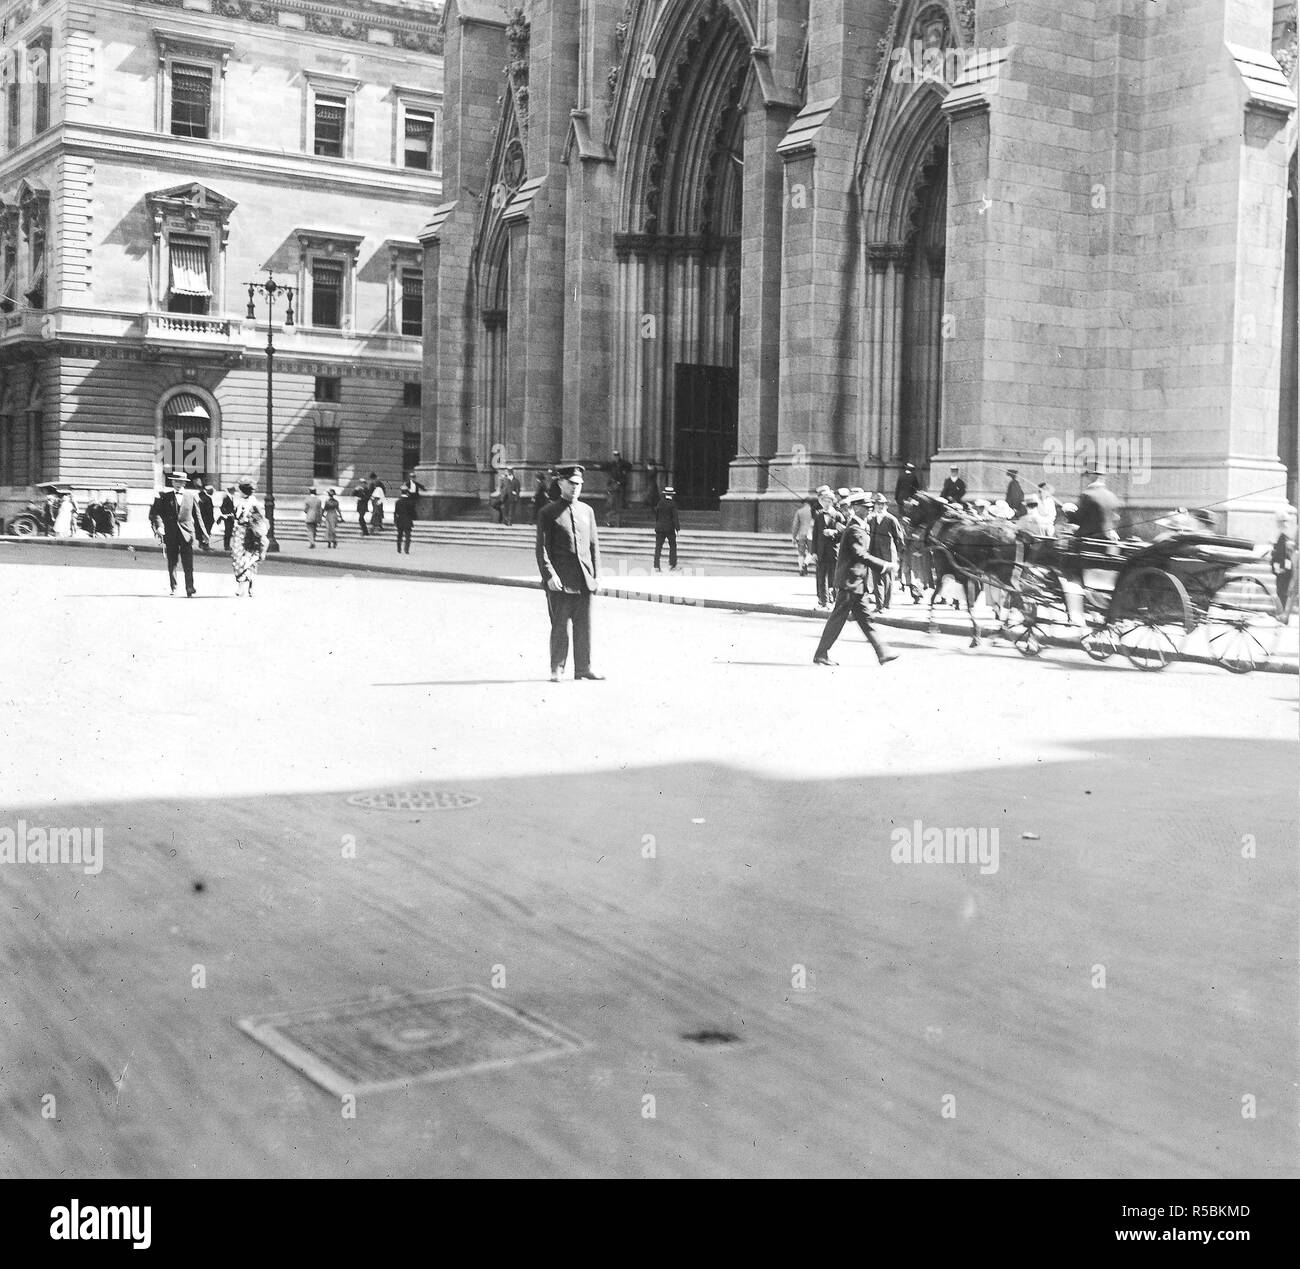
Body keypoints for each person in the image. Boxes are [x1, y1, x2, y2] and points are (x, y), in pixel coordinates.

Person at [812, 492, 898, 667]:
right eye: (866, 508)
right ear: (856, 508)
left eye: (869, 508)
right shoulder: (854, 529)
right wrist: (884, 565)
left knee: (866, 620)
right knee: (839, 620)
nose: (869, 511)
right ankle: (821, 654)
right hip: (850, 582)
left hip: (856, 582)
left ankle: (882, 652)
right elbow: (861, 555)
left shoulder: (857, 527)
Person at [536, 464, 603, 681]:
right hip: (561, 581)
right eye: (572, 484)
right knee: (560, 625)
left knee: (584, 626)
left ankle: (583, 668)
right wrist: (549, 576)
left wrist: (597, 575)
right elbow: (542, 548)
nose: (576, 488)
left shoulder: (587, 511)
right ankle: (557, 668)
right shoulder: (548, 512)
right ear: (561, 483)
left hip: (584, 579)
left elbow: (594, 547)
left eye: (579, 484)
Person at [149, 468, 209, 596]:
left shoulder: (191, 497)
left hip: (187, 534)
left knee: (188, 562)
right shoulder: (165, 496)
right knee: (172, 561)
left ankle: (190, 587)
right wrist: (159, 526)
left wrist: (203, 534)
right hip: (170, 533)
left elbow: (198, 517)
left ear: (184, 483)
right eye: (175, 481)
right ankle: (173, 586)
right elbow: (157, 513)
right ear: (172, 482)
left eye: (180, 481)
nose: (176, 483)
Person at [865, 493, 906, 610]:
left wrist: (898, 555)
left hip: (888, 553)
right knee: (876, 578)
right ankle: (879, 605)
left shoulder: (891, 519)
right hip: (874, 553)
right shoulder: (871, 519)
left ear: (886, 506)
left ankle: (886, 604)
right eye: (877, 504)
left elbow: (899, 538)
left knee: (888, 579)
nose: (880, 507)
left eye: (882, 504)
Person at [230, 479, 270, 597]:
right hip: (238, 534)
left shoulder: (254, 504)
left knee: (249, 560)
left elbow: (261, 519)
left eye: (240, 490)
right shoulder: (239, 501)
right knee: (238, 560)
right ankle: (241, 585)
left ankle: (250, 586)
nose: (238, 492)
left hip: (250, 535)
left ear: (244, 491)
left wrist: (250, 521)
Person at [812, 487, 844, 610]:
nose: (826, 503)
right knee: (821, 577)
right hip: (821, 552)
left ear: (833, 502)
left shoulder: (838, 515)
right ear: (821, 502)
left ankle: (833, 601)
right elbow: (815, 535)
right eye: (824, 501)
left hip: (833, 551)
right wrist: (813, 552)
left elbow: (844, 533)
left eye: (829, 501)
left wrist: (833, 532)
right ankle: (823, 601)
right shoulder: (819, 516)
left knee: (833, 577)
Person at [1074, 474, 1120, 545]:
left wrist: (1070, 513)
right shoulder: (1112, 496)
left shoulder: (1087, 495)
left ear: (1092, 477)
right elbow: (1116, 517)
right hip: (1107, 539)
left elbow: (1078, 518)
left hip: (1087, 538)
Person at [1271, 508, 1296, 613]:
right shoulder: (1283, 538)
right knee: (1282, 592)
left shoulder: (1284, 538)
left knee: (1283, 592)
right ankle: (1283, 613)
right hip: (1282, 570)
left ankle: (1283, 614)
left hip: (1283, 572)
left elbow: (1287, 557)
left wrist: (1283, 569)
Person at [654, 485, 681, 571]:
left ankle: (656, 566)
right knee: (673, 546)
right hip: (669, 528)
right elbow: (675, 517)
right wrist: (677, 528)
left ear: (665, 494)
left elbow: (657, 515)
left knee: (658, 547)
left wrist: (658, 524)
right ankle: (672, 564)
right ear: (672, 495)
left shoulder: (660, 503)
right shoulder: (673, 504)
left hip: (660, 528)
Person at [792, 497, 815, 576]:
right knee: (811, 551)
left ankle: (800, 569)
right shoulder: (813, 511)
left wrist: (794, 536)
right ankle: (805, 564)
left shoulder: (799, 511)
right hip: (811, 534)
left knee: (801, 553)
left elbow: (795, 525)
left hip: (801, 533)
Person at [394, 490, 415, 554]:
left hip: (400, 520)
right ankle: (406, 549)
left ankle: (399, 549)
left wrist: (395, 520)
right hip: (408, 520)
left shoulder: (398, 501)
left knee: (399, 535)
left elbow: (395, 512)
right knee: (408, 536)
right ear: (407, 493)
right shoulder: (410, 502)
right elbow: (412, 512)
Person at [220, 486, 238, 551]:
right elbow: (222, 508)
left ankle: (228, 545)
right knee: (227, 532)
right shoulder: (226, 498)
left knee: (229, 532)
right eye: (233, 491)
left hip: (231, 518)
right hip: (228, 518)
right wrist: (227, 514)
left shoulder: (231, 497)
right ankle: (226, 546)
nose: (234, 492)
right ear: (231, 491)